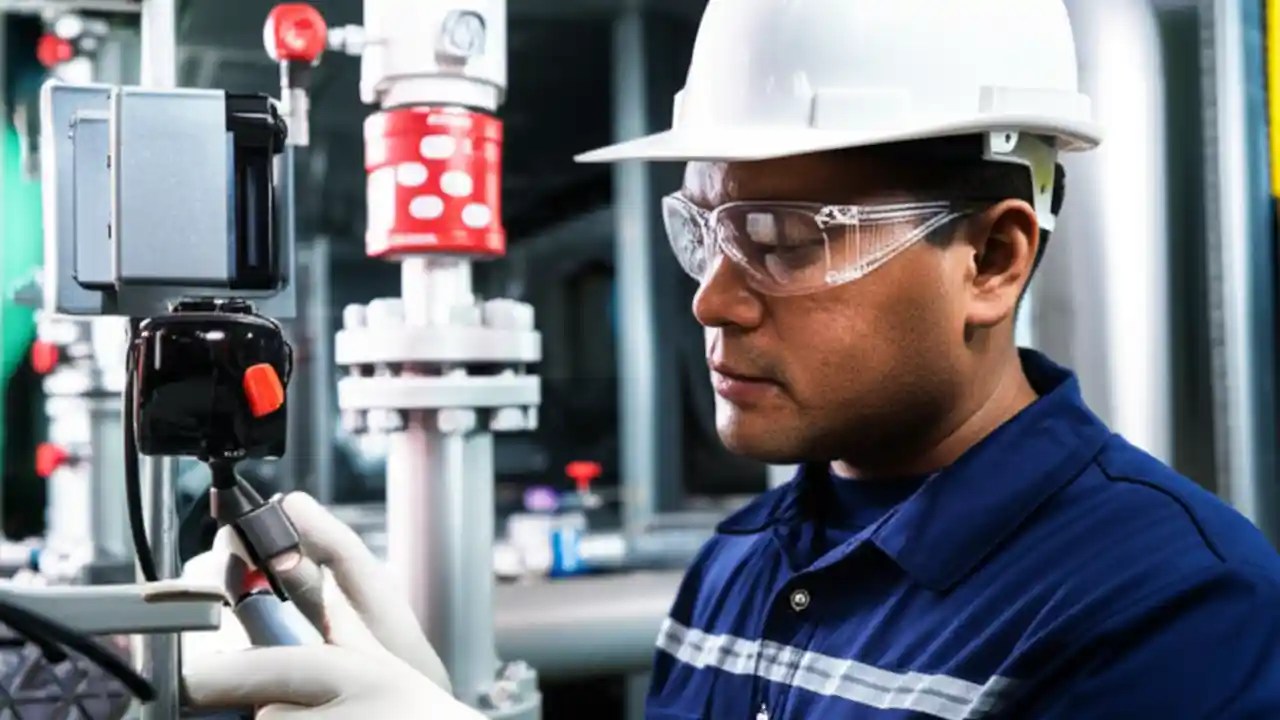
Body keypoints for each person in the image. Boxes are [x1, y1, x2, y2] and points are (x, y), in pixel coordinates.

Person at [183, 0, 1280, 717]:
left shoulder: (1171, 604)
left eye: (786, 241)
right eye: (705, 229)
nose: (712, 299)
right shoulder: (735, 566)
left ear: (989, 259)